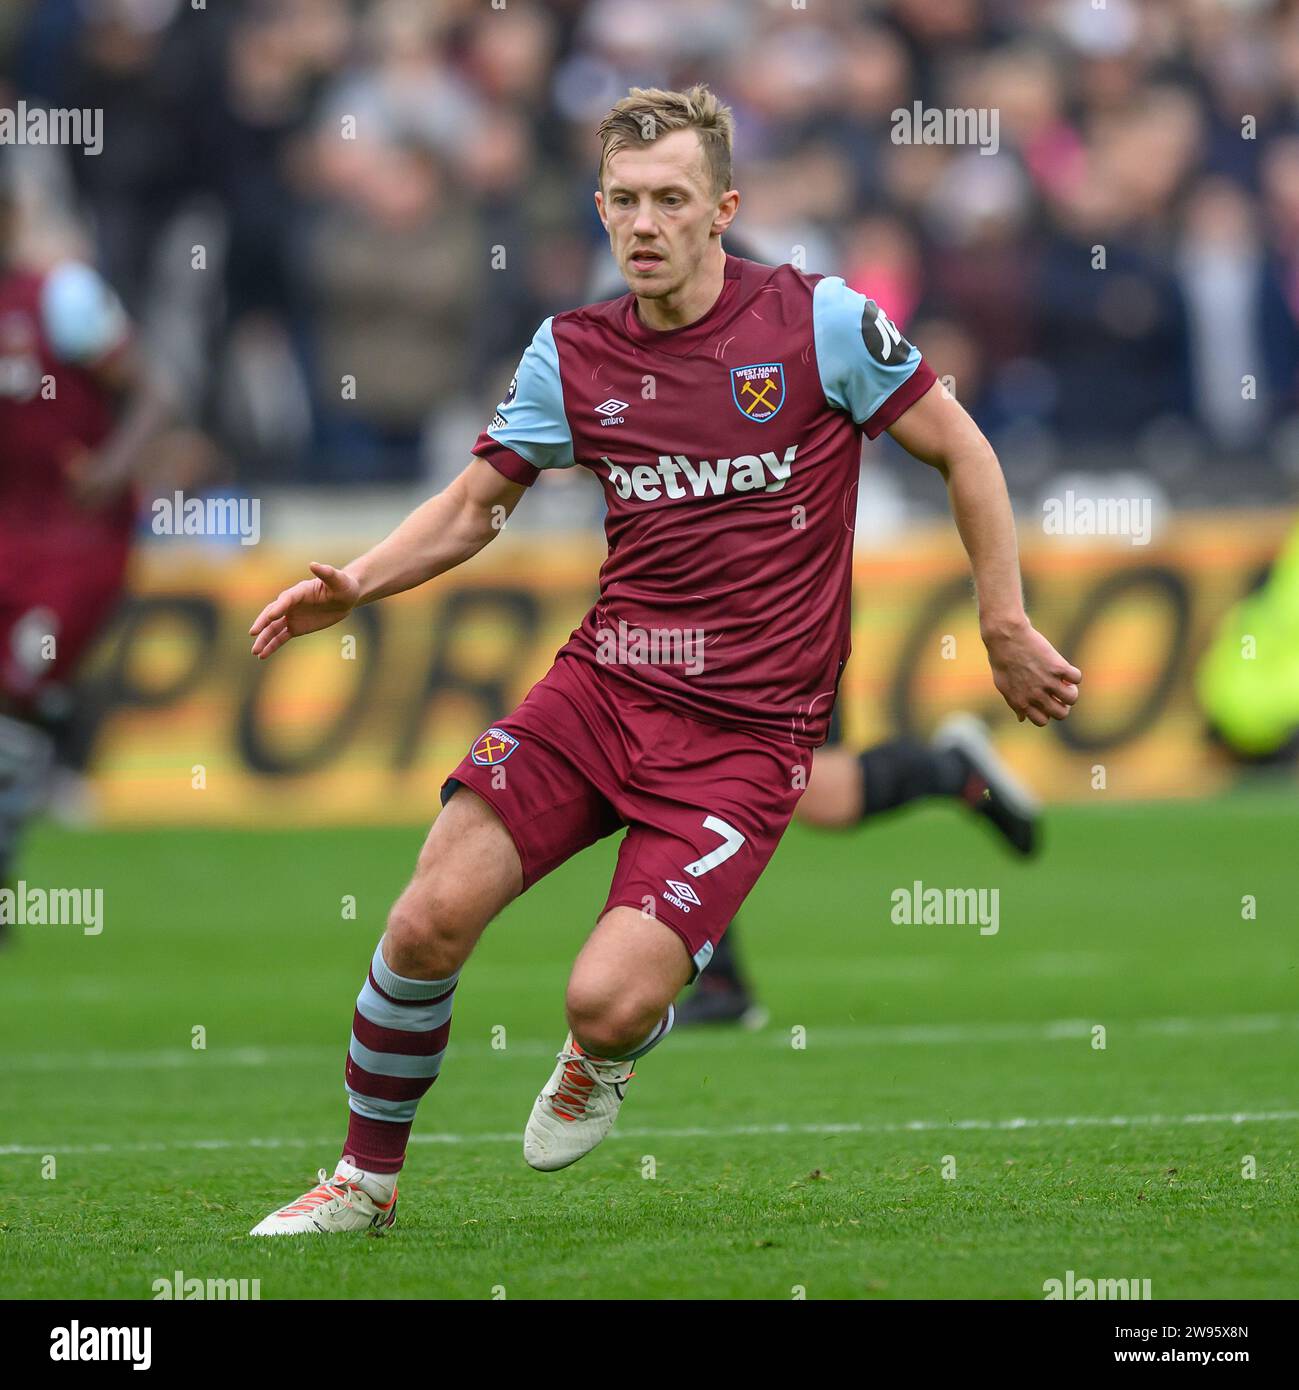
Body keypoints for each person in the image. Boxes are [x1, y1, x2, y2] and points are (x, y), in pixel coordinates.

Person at [246, 85, 1081, 1236]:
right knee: (428, 914)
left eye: (671, 200)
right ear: (599, 207)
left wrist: (1002, 621)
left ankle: (607, 1052)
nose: (644, 222)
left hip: (748, 738)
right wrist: (356, 581)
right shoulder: (571, 353)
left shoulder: (819, 322)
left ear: (723, 209)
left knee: (602, 999)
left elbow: (966, 451)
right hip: (603, 690)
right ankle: (362, 1182)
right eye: (625, 201)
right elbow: (472, 508)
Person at [0, 160, 165, 943]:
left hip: (74, 540)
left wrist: (109, 467)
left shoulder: (63, 296)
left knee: (19, 687)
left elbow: (153, 391)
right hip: (8, 530)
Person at [675, 714, 1040, 1027]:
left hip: (771, 634)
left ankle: (953, 770)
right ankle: (720, 981)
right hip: (696, 638)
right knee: (689, 765)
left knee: (820, 789)